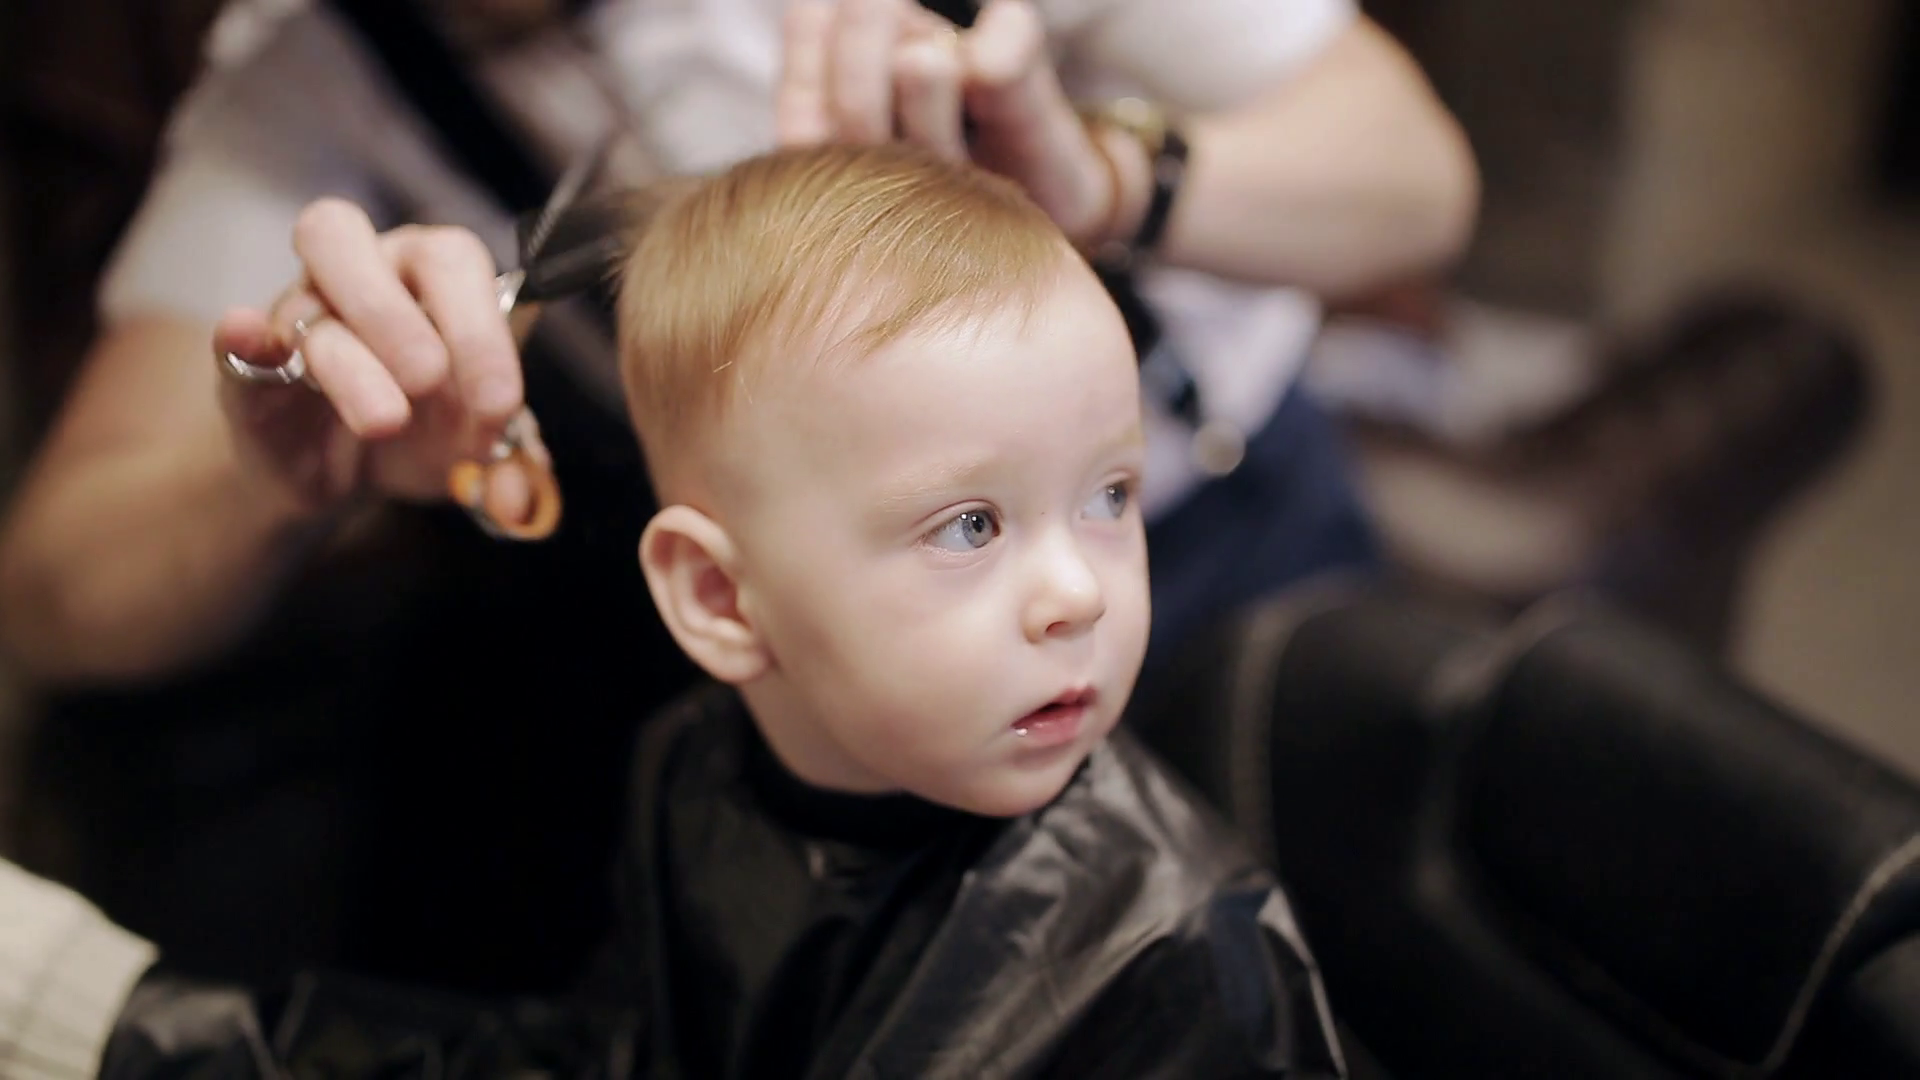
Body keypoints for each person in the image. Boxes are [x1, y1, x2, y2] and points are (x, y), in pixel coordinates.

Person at [0, 0, 1474, 993]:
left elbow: (1417, 177)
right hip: (818, 669)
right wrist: (277, 480)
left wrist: (1103, 178)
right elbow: (58, 596)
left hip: (1221, 531)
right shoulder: (315, 69)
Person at [93, 140, 1353, 1080]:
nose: (1080, 591)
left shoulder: (1174, 956)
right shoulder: (693, 776)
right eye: (969, 524)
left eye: (1110, 495)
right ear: (716, 597)